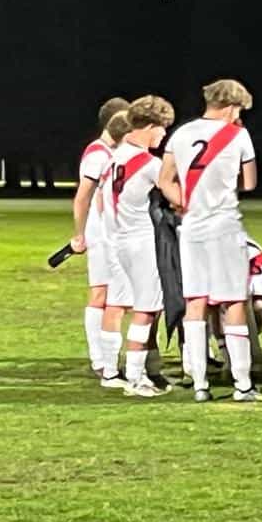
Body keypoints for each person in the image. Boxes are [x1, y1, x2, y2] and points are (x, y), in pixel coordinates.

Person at [159, 78, 259, 402]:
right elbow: (250, 182)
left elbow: (165, 180)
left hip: (192, 228)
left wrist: (185, 203)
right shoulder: (238, 135)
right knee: (232, 303)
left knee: (196, 302)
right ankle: (242, 383)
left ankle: (200, 382)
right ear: (232, 107)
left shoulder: (181, 134)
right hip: (225, 225)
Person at [105, 95, 177, 396]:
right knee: (146, 309)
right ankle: (135, 377)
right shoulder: (149, 163)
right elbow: (176, 194)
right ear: (149, 126)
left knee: (135, 305)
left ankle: (127, 370)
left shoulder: (116, 155)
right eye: (162, 129)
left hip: (119, 238)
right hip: (140, 240)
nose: (163, 135)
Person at [72, 98, 130, 380]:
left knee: (113, 293)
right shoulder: (98, 153)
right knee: (101, 293)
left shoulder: (116, 151)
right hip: (100, 231)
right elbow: (82, 197)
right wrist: (79, 234)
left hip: (114, 230)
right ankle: (99, 358)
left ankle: (109, 356)